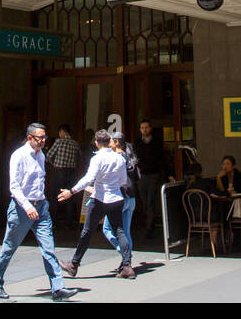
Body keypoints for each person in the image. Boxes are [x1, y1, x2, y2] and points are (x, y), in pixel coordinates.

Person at [0, 123, 75, 301]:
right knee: (9, 247)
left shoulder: (41, 155)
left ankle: (58, 288)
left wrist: (41, 203)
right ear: (30, 138)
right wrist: (27, 206)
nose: (44, 141)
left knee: (48, 248)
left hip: (41, 206)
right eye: (40, 138)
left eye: (45, 137)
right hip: (22, 208)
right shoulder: (18, 156)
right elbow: (14, 186)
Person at [59, 129, 134, 279]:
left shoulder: (97, 159)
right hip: (116, 198)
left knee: (87, 232)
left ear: (96, 143)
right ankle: (127, 266)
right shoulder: (120, 159)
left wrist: (71, 191)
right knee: (119, 231)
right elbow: (123, 181)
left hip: (99, 198)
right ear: (108, 142)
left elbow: (88, 178)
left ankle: (74, 265)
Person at [101, 132, 139, 263]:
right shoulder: (130, 157)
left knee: (107, 228)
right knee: (126, 231)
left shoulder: (115, 158)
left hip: (119, 198)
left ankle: (125, 254)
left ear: (117, 143)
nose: (109, 143)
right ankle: (126, 262)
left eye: (111, 141)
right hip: (131, 197)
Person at [132, 119, 166, 236]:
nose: (144, 130)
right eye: (142, 128)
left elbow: (161, 157)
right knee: (144, 201)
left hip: (153, 175)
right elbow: (134, 157)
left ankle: (149, 227)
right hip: (142, 176)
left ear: (150, 128)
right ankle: (148, 221)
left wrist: (164, 173)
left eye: (146, 127)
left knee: (150, 200)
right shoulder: (137, 143)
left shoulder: (156, 141)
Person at [46, 124, 81, 224]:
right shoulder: (75, 143)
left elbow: (48, 155)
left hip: (59, 171)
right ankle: (69, 221)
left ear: (62, 131)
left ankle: (54, 221)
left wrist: (54, 164)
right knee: (69, 195)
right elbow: (79, 157)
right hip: (71, 172)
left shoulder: (59, 142)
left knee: (55, 195)